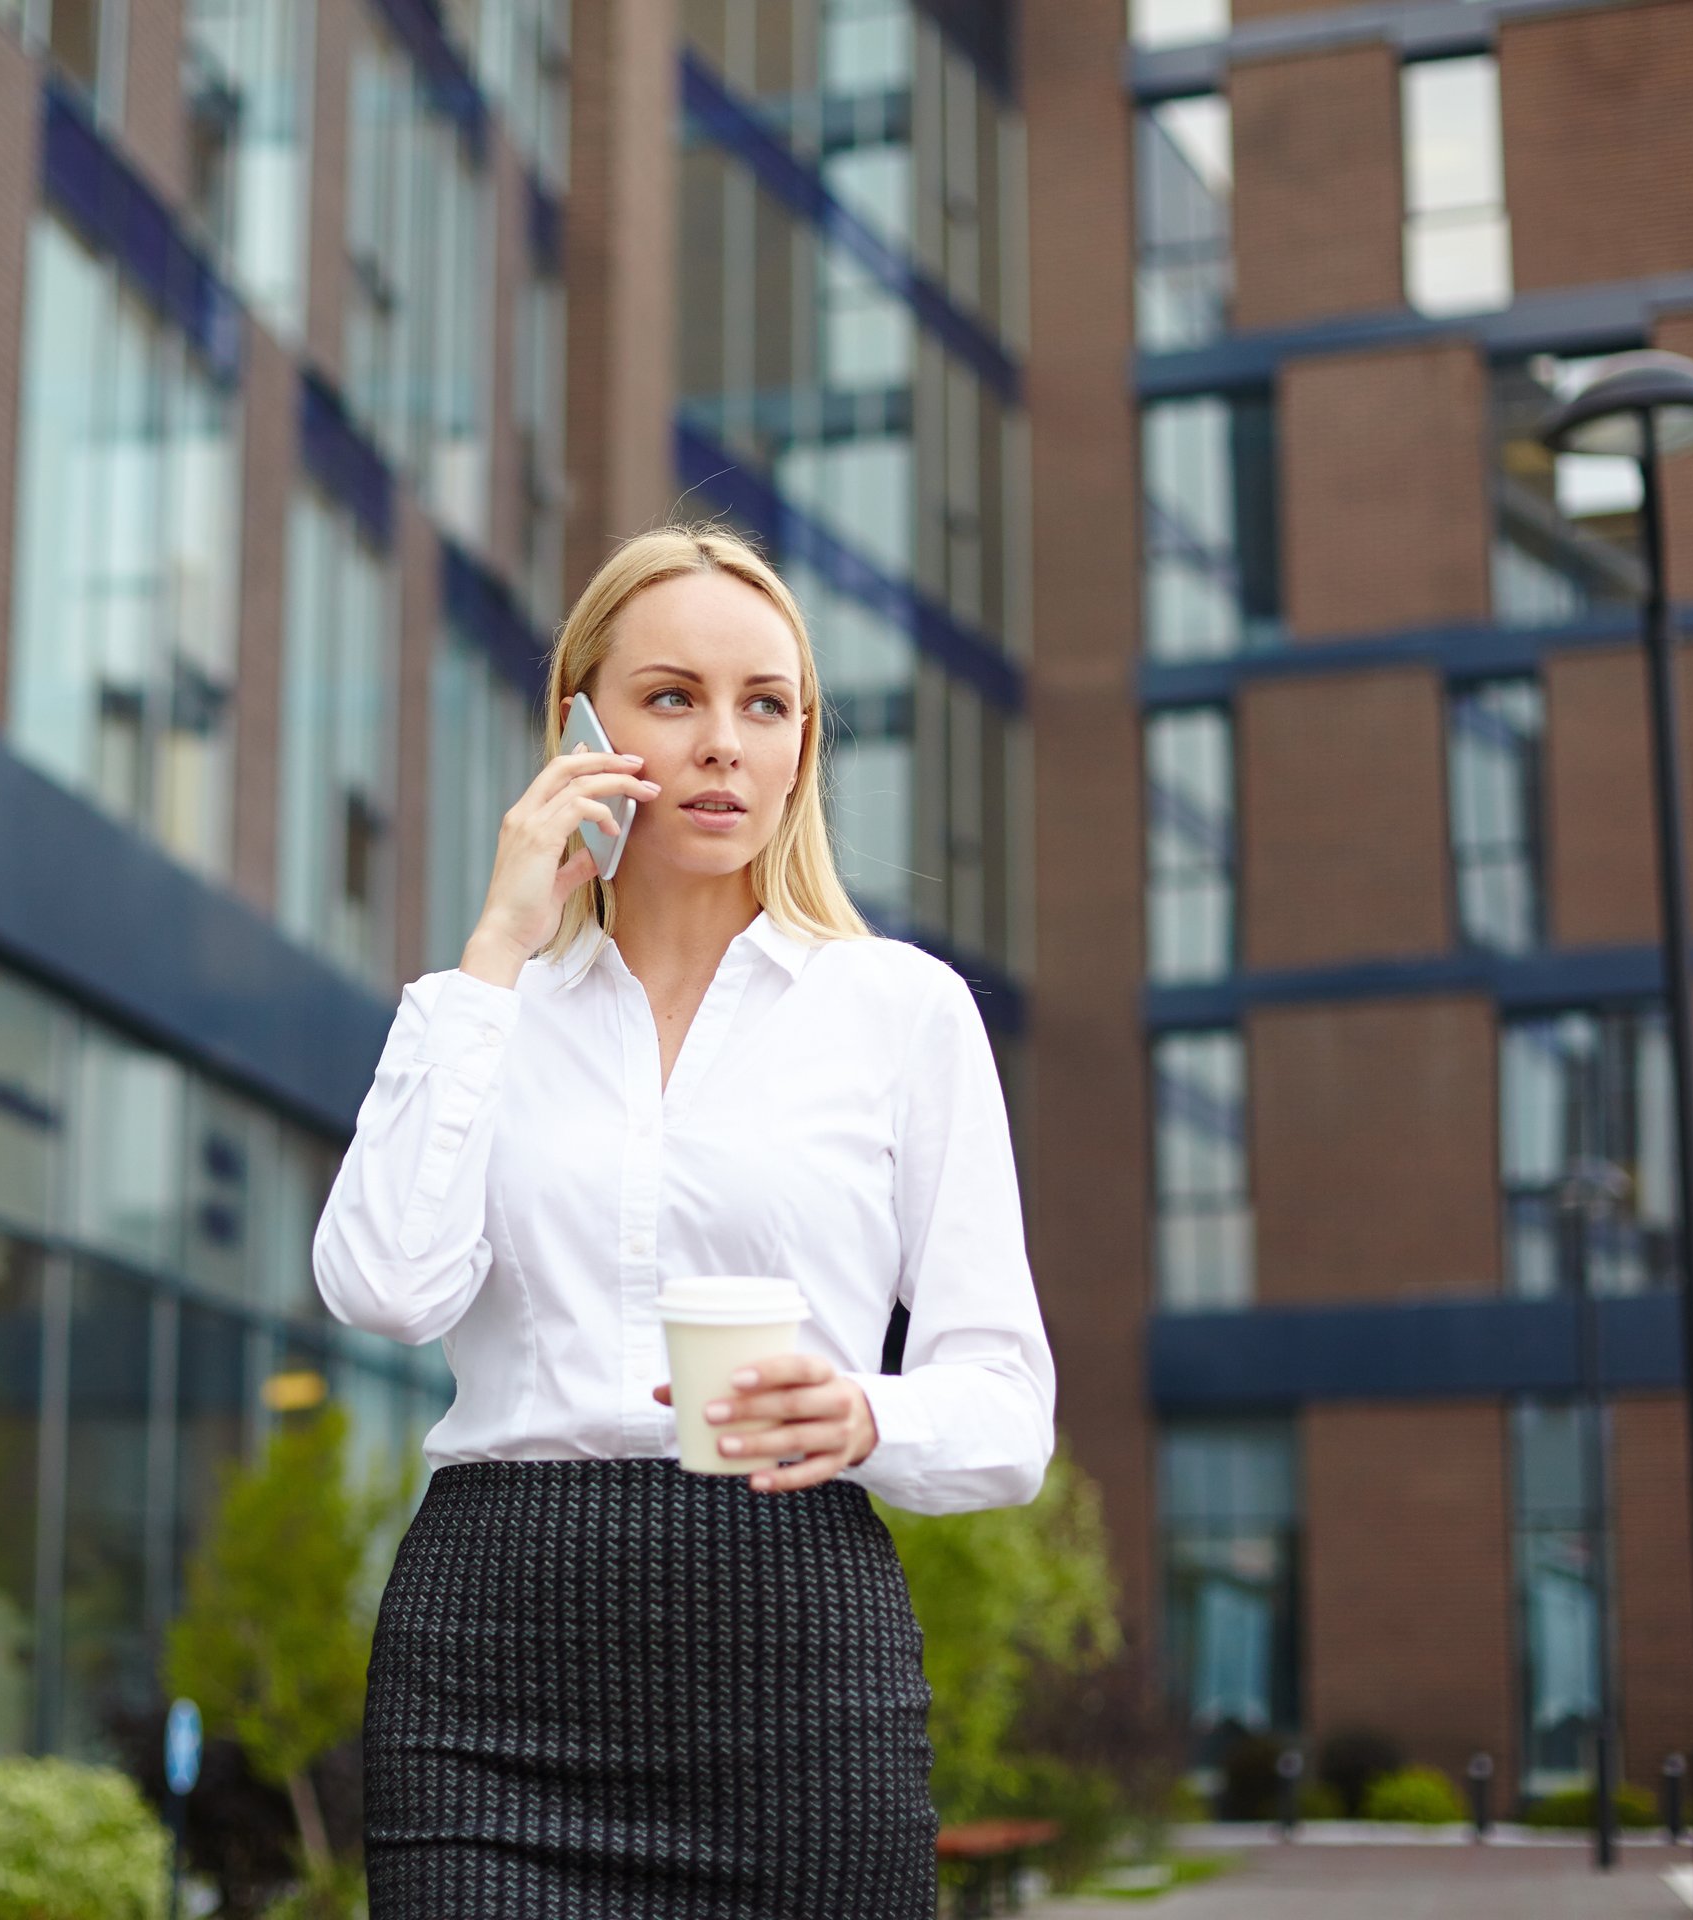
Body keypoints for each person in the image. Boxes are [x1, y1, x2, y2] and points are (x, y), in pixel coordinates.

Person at [315, 526, 1055, 1918]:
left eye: (765, 704)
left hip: (799, 1671)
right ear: (581, 731)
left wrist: (865, 1415)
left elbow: (1010, 1410)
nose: (724, 741)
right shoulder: (482, 1016)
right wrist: (495, 947)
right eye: (673, 697)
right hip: (489, 1672)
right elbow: (386, 1289)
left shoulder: (901, 1013)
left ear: (802, 744)